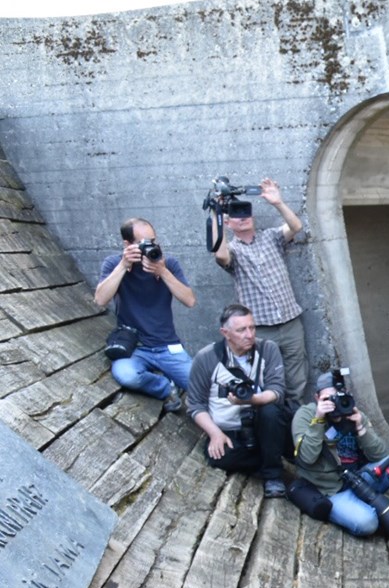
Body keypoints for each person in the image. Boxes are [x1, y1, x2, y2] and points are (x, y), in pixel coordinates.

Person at [290, 372, 389, 550]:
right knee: (367, 523)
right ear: (317, 397)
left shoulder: (351, 412)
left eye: (338, 398)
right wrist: (319, 419)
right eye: (328, 398)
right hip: (331, 491)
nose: (334, 404)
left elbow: (382, 456)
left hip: (360, 479)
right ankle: (361, 512)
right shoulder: (305, 416)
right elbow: (307, 457)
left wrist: (360, 428)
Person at [210, 178, 311, 404]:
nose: (242, 217)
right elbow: (221, 255)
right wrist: (216, 214)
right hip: (260, 329)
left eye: (246, 212)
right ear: (228, 222)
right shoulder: (232, 249)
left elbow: (296, 227)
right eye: (235, 214)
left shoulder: (271, 237)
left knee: (298, 379)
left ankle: (296, 422)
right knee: (268, 381)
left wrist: (278, 202)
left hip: (290, 321)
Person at [185, 304, 292, 498]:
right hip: (231, 430)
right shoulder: (206, 358)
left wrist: (252, 400)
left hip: (262, 423)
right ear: (225, 333)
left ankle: (273, 475)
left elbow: (277, 391)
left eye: (252, 327)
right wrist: (215, 433)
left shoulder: (268, 349)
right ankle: (268, 456)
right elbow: (195, 404)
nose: (249, 335)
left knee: (272, 411)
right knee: (219, 457)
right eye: (241, 330)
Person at [95, 217, 197, 412]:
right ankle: (166, 388)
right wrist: (123, 266)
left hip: (167, 345)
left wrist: (164, 272)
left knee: (201, 387)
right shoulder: (114, 263)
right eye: (144, 243)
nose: (150, 247)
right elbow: (100, 300)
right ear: (127, 244)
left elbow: (190, 301)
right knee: (127, 376)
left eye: (153, 241)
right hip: (135, 347)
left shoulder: (169, 263)